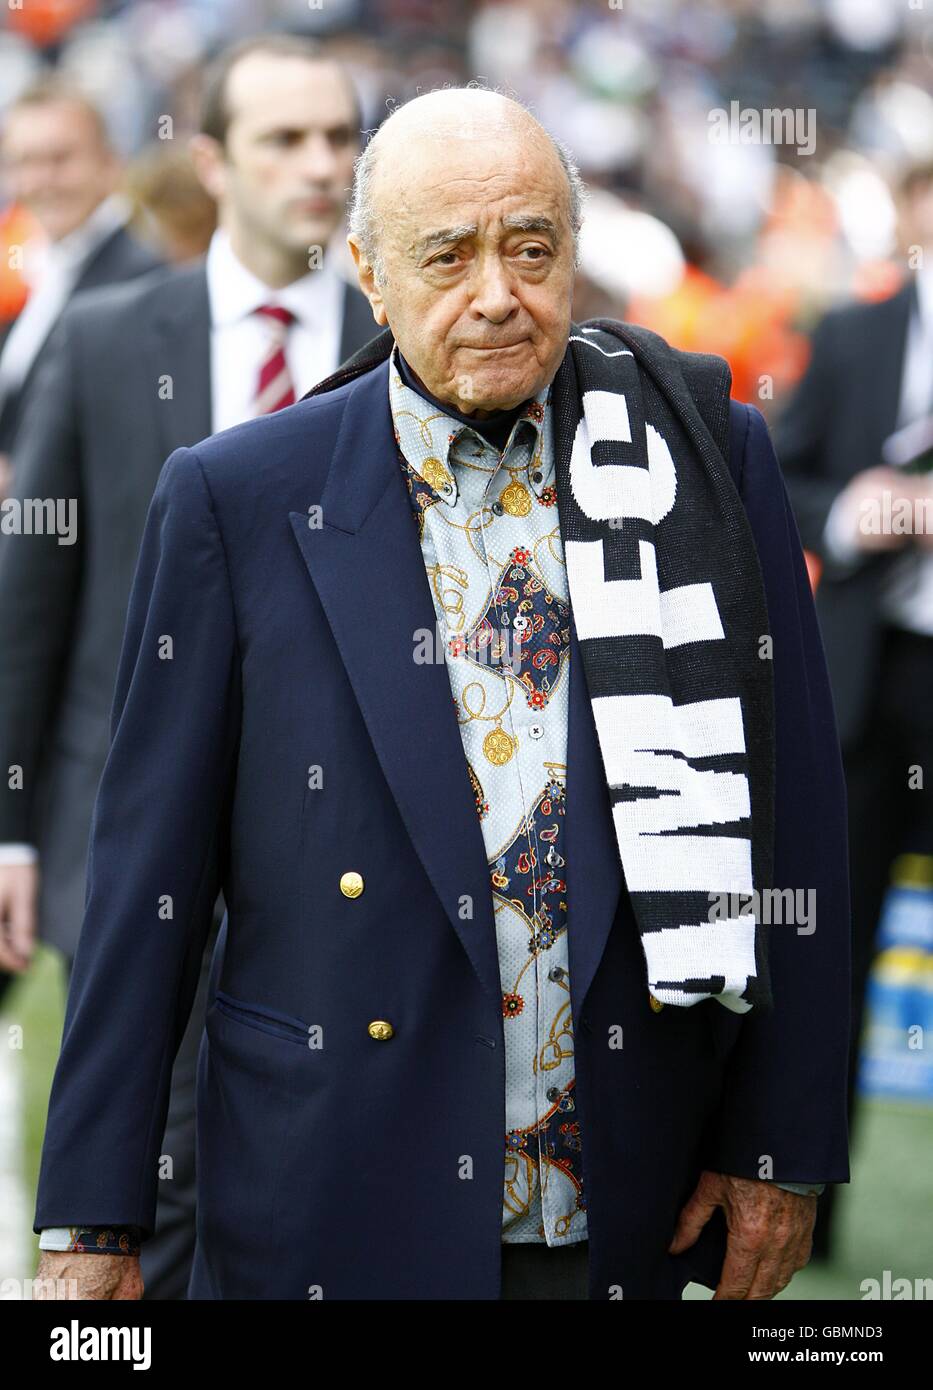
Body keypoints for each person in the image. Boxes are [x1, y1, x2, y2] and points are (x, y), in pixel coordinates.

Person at [31, 86, 850, 1302]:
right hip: (327, 1187)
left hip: (626, 1196)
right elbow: (148, 876)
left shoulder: (701, 456)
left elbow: (795, 812)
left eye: (532, 249)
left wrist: (777, 1142)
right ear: (366, 270)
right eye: (447, 255)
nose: (497, 296)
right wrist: (94, 1219)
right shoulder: (239, 496)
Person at [0, 34, 372, 1299]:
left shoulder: (405, 342)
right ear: (210, 159)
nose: (321, 166)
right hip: (128, 832)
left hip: (348, 852)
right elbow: (33, 599)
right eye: (285, 139)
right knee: (127, 1198)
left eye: (339, 137)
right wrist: (11, 831)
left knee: (320, 1184)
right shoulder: (108, 338)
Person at [773, 159, 933, 1259]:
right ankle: (805, 1212)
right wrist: (852, 512)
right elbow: (776, 476)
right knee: (829, 942)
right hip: (869, 685)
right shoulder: (852, 333)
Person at [0, 77, 162, 487]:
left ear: (110, 163)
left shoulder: (143, 281)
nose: (41, 180)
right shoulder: (38, 270)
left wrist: (17, 480)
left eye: (60, 159)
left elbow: (128, 446)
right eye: (24, 162)